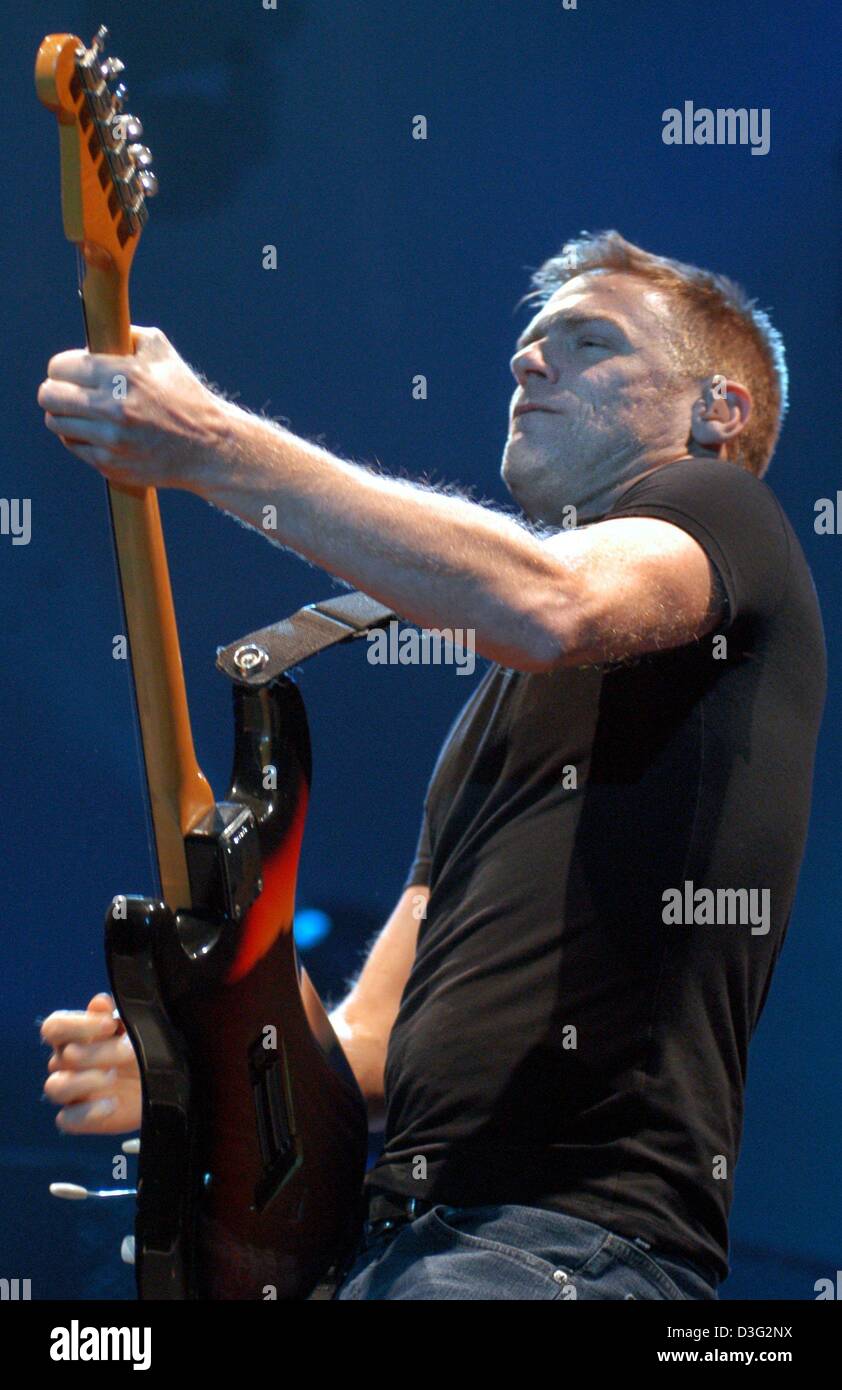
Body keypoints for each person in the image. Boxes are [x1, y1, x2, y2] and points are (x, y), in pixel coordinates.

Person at [38, 231, 826, 1300]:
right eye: (529, 342)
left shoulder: (715, 511)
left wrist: (211, 443)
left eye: (589, 342)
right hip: (412, 1249)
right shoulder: (492, 717)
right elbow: (367, 1050)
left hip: (569, 1250)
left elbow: (548, 602)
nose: (527, 362)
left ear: (714, 410)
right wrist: (202, 1063)